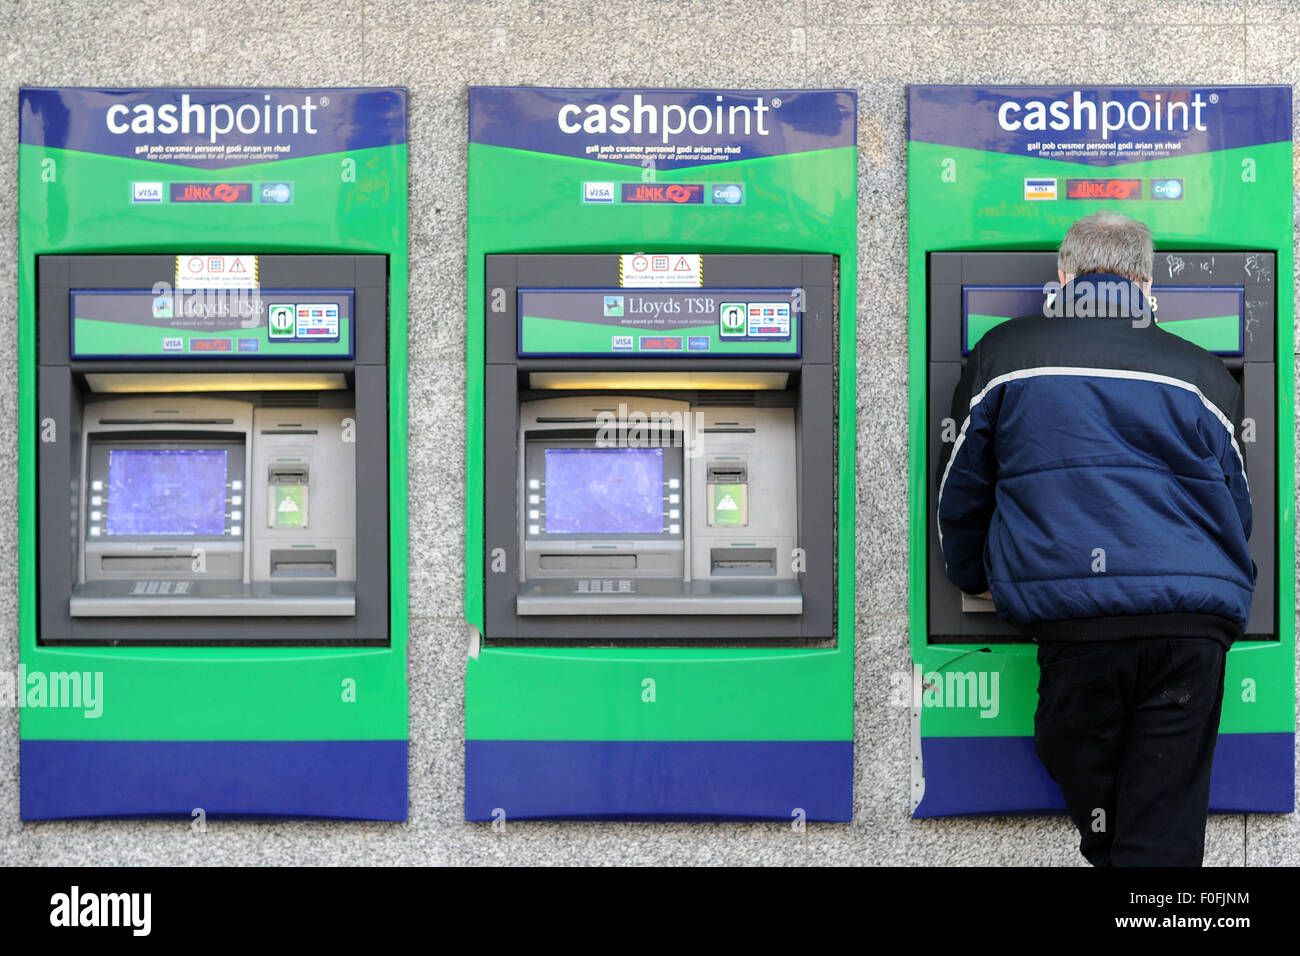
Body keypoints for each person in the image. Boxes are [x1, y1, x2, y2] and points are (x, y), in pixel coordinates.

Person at [936, 211, 1255, 866]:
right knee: (1156, 832)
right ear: (1147, 284)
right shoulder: (1208, 375)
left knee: (1105, 818)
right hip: (1191, 630)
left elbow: (960, 490)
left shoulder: (1004, 354)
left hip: (1077, 628)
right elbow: (1237, 509)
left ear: (1064, 275)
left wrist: (973, 575)